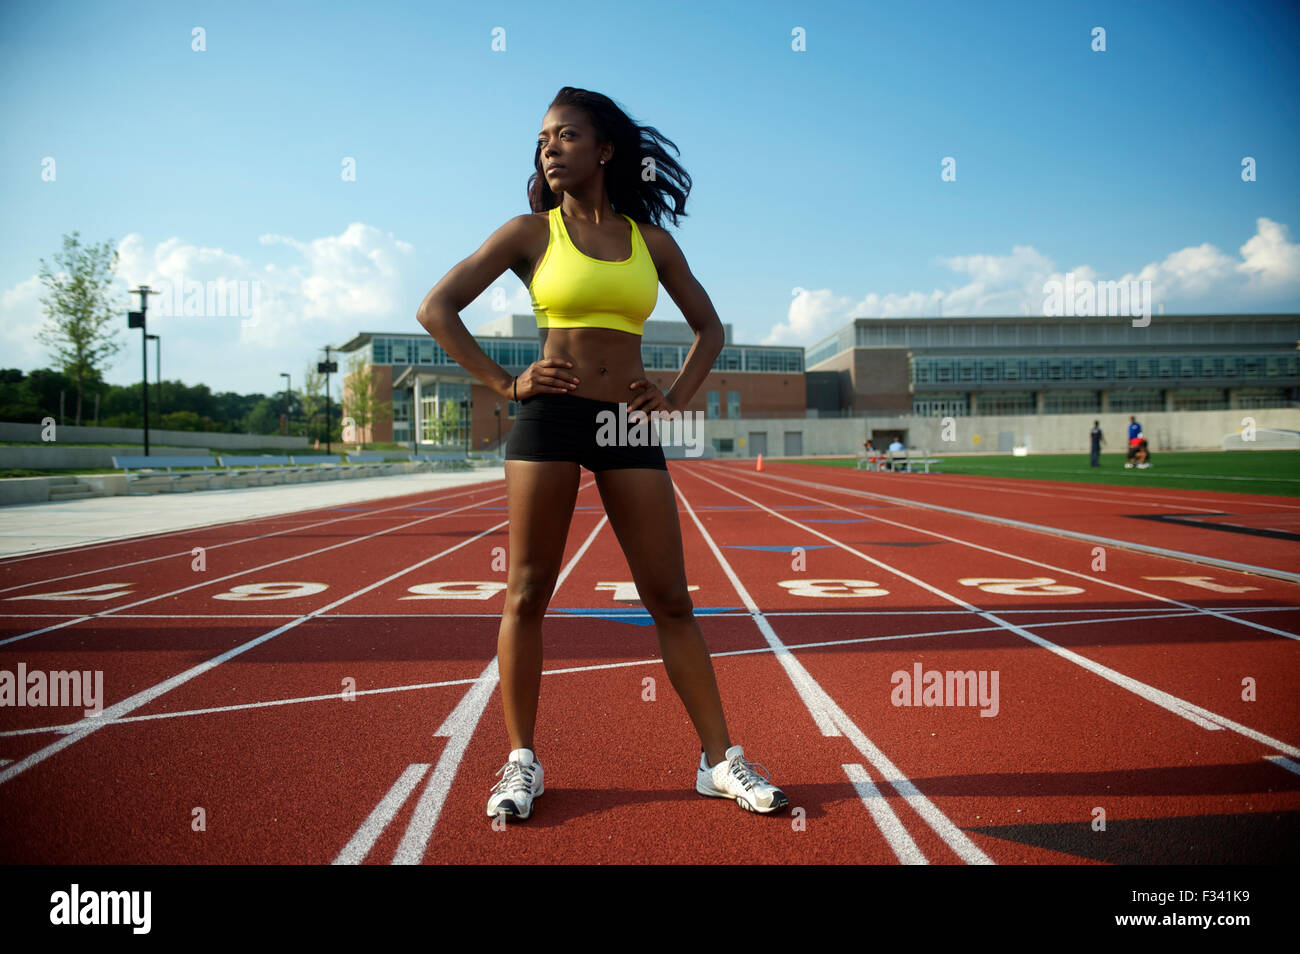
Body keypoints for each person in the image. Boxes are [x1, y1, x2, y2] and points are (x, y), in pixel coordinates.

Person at [416, 87, 788, 822]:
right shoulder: (529, 232)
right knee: (527, 594)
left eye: (567, 135)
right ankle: (523, 761)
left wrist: (676, 396)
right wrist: (505, 381)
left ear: (606, 150)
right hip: (549, 416)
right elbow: (437, 307)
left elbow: (710, 328)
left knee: (672, 600)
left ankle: (719, 762)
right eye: (544, 139)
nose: (550, 148)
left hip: (625, 422)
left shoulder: (651, 242)